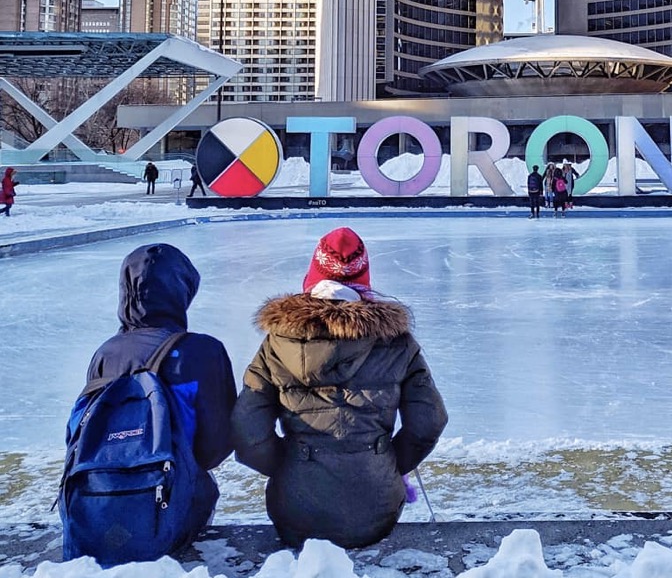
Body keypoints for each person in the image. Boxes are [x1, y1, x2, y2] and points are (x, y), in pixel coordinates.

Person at [231, 226, 448, 550]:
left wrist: (291, 467)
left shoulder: (278, 343)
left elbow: (247, 429)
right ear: (363, 280)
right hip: (376, 511)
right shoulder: (398, 342)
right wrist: (384, 463)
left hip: (295, 514)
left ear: (314, 277)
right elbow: (429, 421)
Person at [74, 243, 237, 551]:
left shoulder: (105, 353)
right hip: (175, 509)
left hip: (99, 508)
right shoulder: (202, 351)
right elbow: (215, 448)